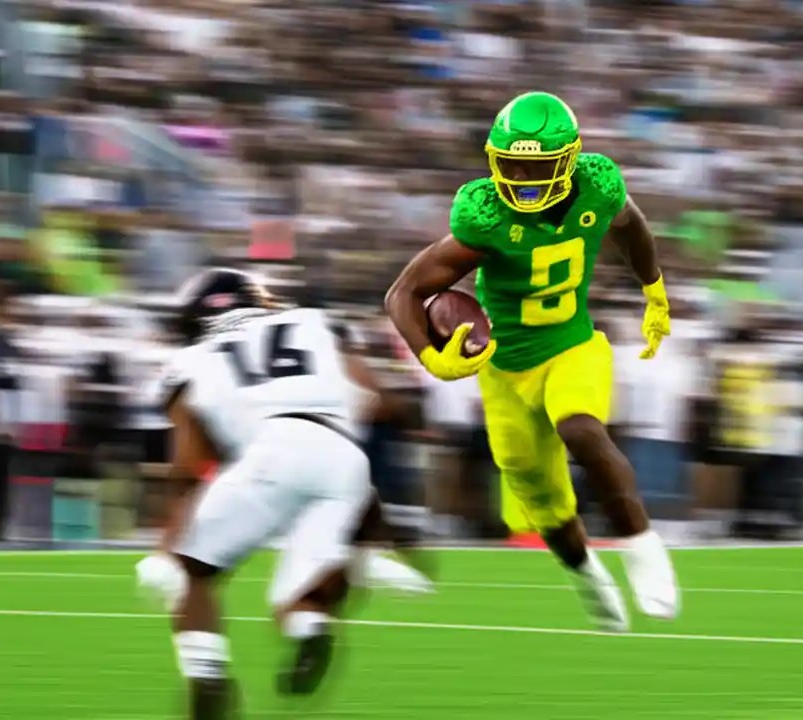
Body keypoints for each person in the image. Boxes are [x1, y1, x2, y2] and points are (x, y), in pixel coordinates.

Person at [384, 91, 679, 632]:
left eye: (534, 165)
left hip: (572, 346)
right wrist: (431, 358)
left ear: (567, 162)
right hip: (504, 372)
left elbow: (632, 227)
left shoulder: (597, 186)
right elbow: (402, 292)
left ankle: (642, 546)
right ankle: (588, 572)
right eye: (510, 163)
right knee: (543, 502)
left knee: (583, 432)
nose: (519, 176)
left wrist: (654, 288)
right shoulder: (486, 217)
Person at [134, 268, 418, 719]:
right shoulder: (310, 321)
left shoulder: (190, 361)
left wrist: (170, 540)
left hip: (272, 451)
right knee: (300, 589)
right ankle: (309, 629)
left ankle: (205, 671)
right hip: (343, 458)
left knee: (194, 574)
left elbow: (188, 465)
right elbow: (382, 401)